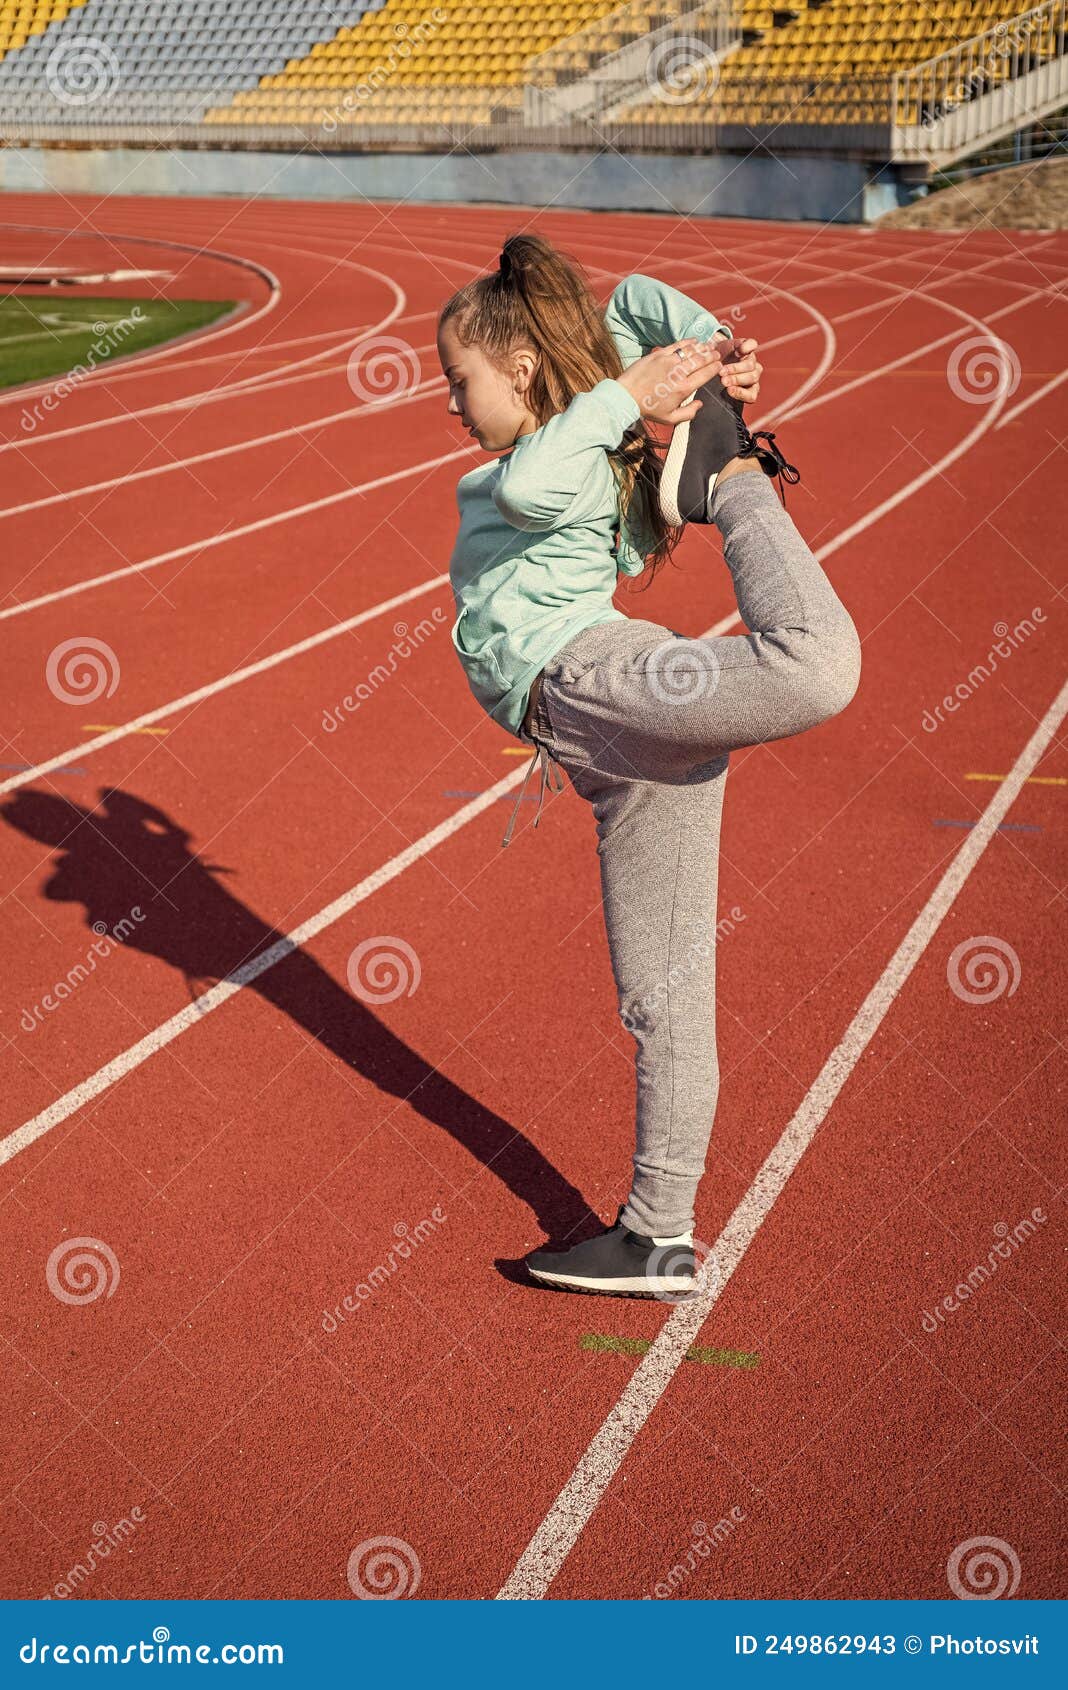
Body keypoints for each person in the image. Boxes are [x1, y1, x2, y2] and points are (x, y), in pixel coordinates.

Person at [436, 234, 861, 1298]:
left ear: (522, 370)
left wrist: (686, 397)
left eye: (460, 381)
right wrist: (708, 353)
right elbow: (628, 306)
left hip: (595, 677)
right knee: (667, 996)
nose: (450, 403)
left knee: (814, 669)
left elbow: (540, 482)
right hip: (629, 756)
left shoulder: (540, 462)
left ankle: (727, 480)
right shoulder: (567, 450)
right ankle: (656, 1233)